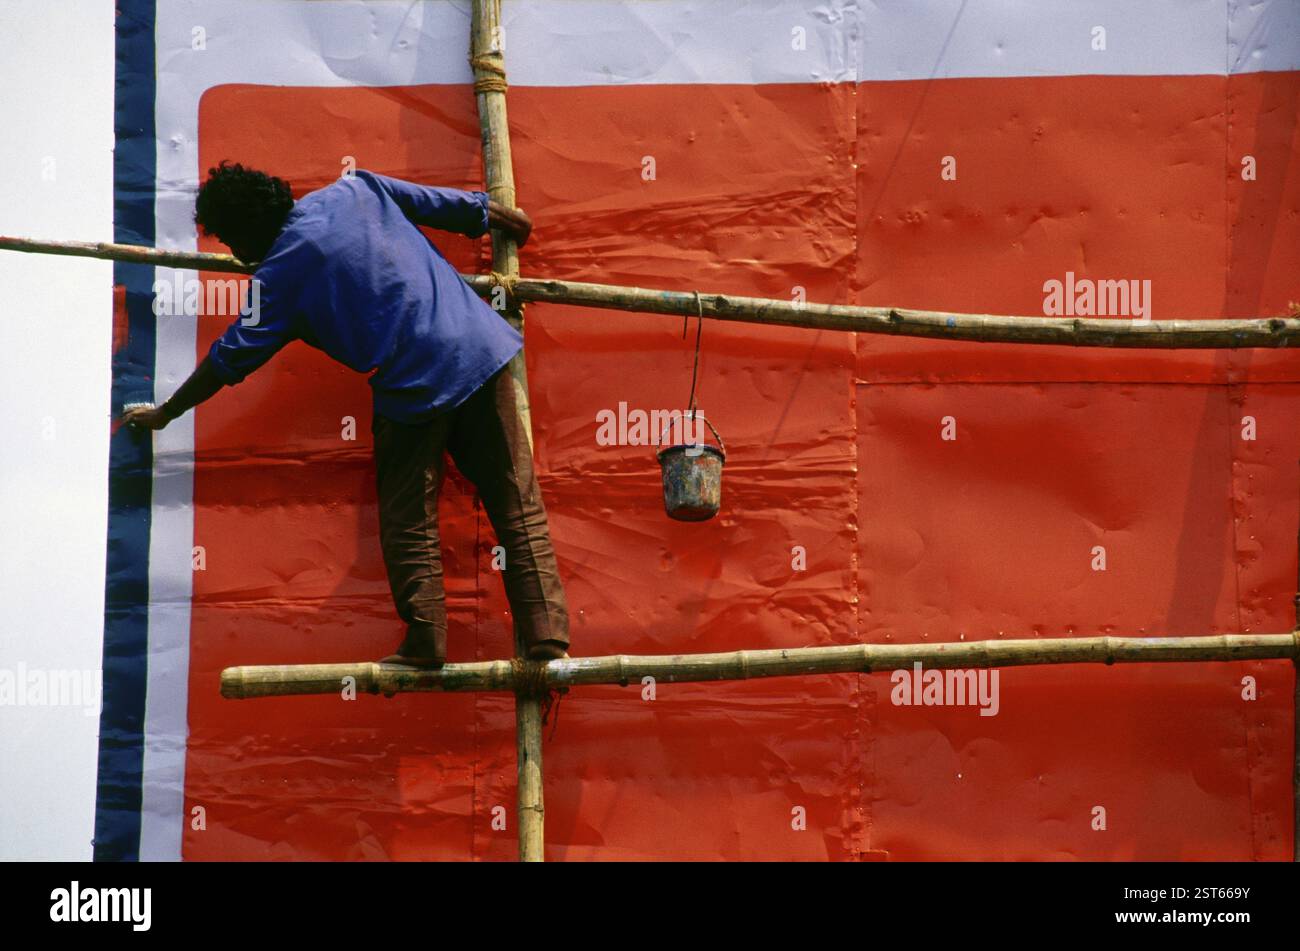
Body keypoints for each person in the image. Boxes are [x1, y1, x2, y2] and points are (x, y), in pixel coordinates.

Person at [122, 161, 570, 669]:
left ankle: (427, 641)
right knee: (515, 501)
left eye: (231, 240)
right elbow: (440, 205)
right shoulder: (357, 189)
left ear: (247, 231)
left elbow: (228, 358)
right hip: (480, 347)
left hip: (414, 385)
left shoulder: (277, 279)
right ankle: (548, 637)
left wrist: (167, 412)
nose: (236, 255)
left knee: (409, 519)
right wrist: (493, 216)